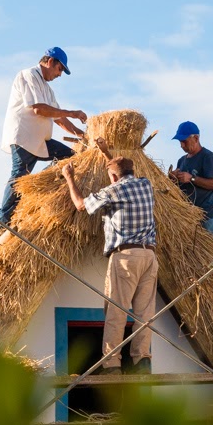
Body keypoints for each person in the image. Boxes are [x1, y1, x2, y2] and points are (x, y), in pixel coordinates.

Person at [62, 141, 157, 375]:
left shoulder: (113, 191)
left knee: (116, 312)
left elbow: (81, 205)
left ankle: (112, 364)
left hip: (126, 257)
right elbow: (119, 170)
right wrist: (106, 154)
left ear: (113, 178)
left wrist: (69, 178)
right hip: (149, 256)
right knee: (144, 314)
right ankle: (142, 361)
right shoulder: (146, 185)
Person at [0, 47, 88, 227]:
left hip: (40, 140)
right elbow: (39, 108)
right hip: (24, 136)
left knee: (70, 157)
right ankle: (2, 221)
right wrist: (73, 113)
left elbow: (59, 118)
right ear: (50, 61)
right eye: (60, 69)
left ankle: (42, 186)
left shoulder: (47, 89)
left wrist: (83, 135)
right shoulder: (28, 75)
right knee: (19, 175)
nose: (60, 75)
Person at [168, 121, 213, 238]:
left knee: (211, 253)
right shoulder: (181, 161)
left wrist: (191, 178)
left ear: (196, 138)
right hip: (188, 217)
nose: (181, 145)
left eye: (184, 141)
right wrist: (172, 179)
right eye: (180, 141)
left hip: (208, 215)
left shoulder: (209, 157)